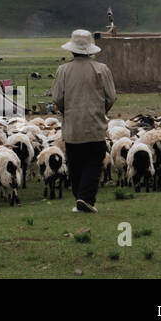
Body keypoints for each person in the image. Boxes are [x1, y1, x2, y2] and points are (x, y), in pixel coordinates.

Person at [50, 29, 117, 213]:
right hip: (95, 126)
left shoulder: (63, 70)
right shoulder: (101, 69)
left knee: (75, 163)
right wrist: (101, 111)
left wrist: (67, 112)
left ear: (72, 50)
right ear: (91, 50)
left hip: (72, 128)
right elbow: (111, 97)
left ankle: (80, 198)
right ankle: (85, 199)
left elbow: (57, 97)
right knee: (94, 162)